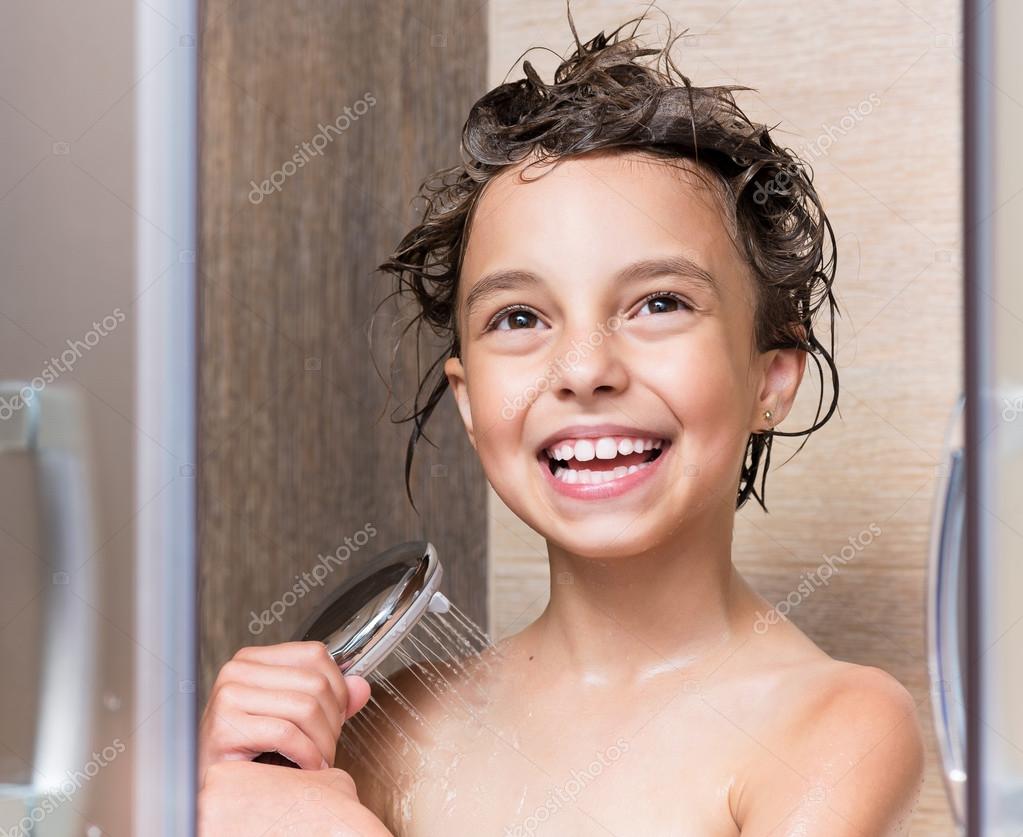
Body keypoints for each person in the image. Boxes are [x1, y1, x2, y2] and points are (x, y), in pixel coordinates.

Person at [199, 7, 925, 835]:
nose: (583, 370)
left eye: (659, 302)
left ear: (771, 378)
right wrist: (224, 781)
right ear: (472, 404)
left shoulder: (831, 727)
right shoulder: (382, 726)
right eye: (518, 318)